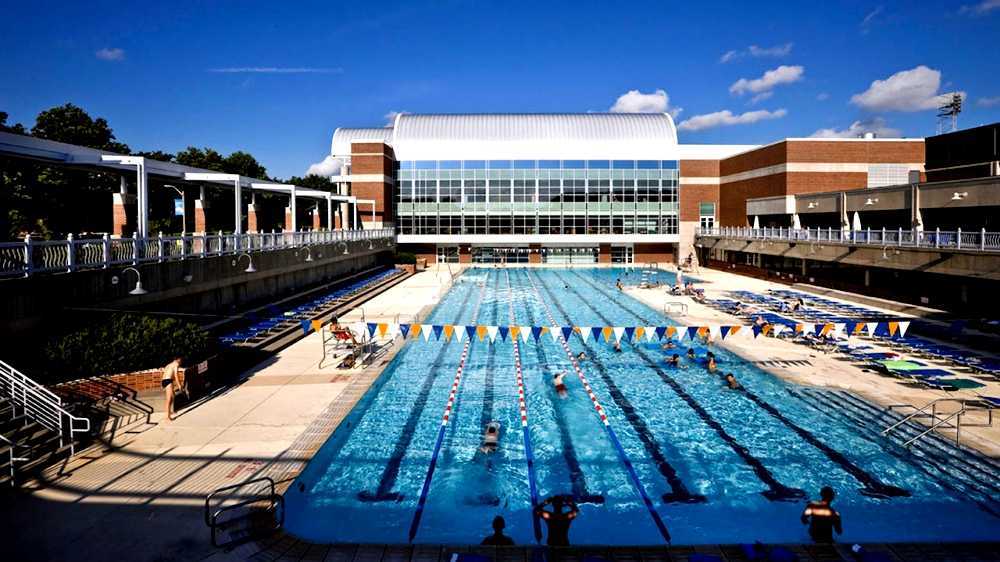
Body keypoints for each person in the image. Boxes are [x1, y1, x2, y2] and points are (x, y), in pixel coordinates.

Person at [161, 356, 182, 421]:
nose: (181, 361)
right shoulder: (176, 364)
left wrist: (162, 385)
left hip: (165, 381)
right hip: (168, 381)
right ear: (177, 359)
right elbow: (176, 375)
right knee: (169, 399)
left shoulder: (169, 365)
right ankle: (167, 417)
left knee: (173, 396)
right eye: (180, 359)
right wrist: (179, 385)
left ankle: (169, 412)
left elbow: (164, 374)